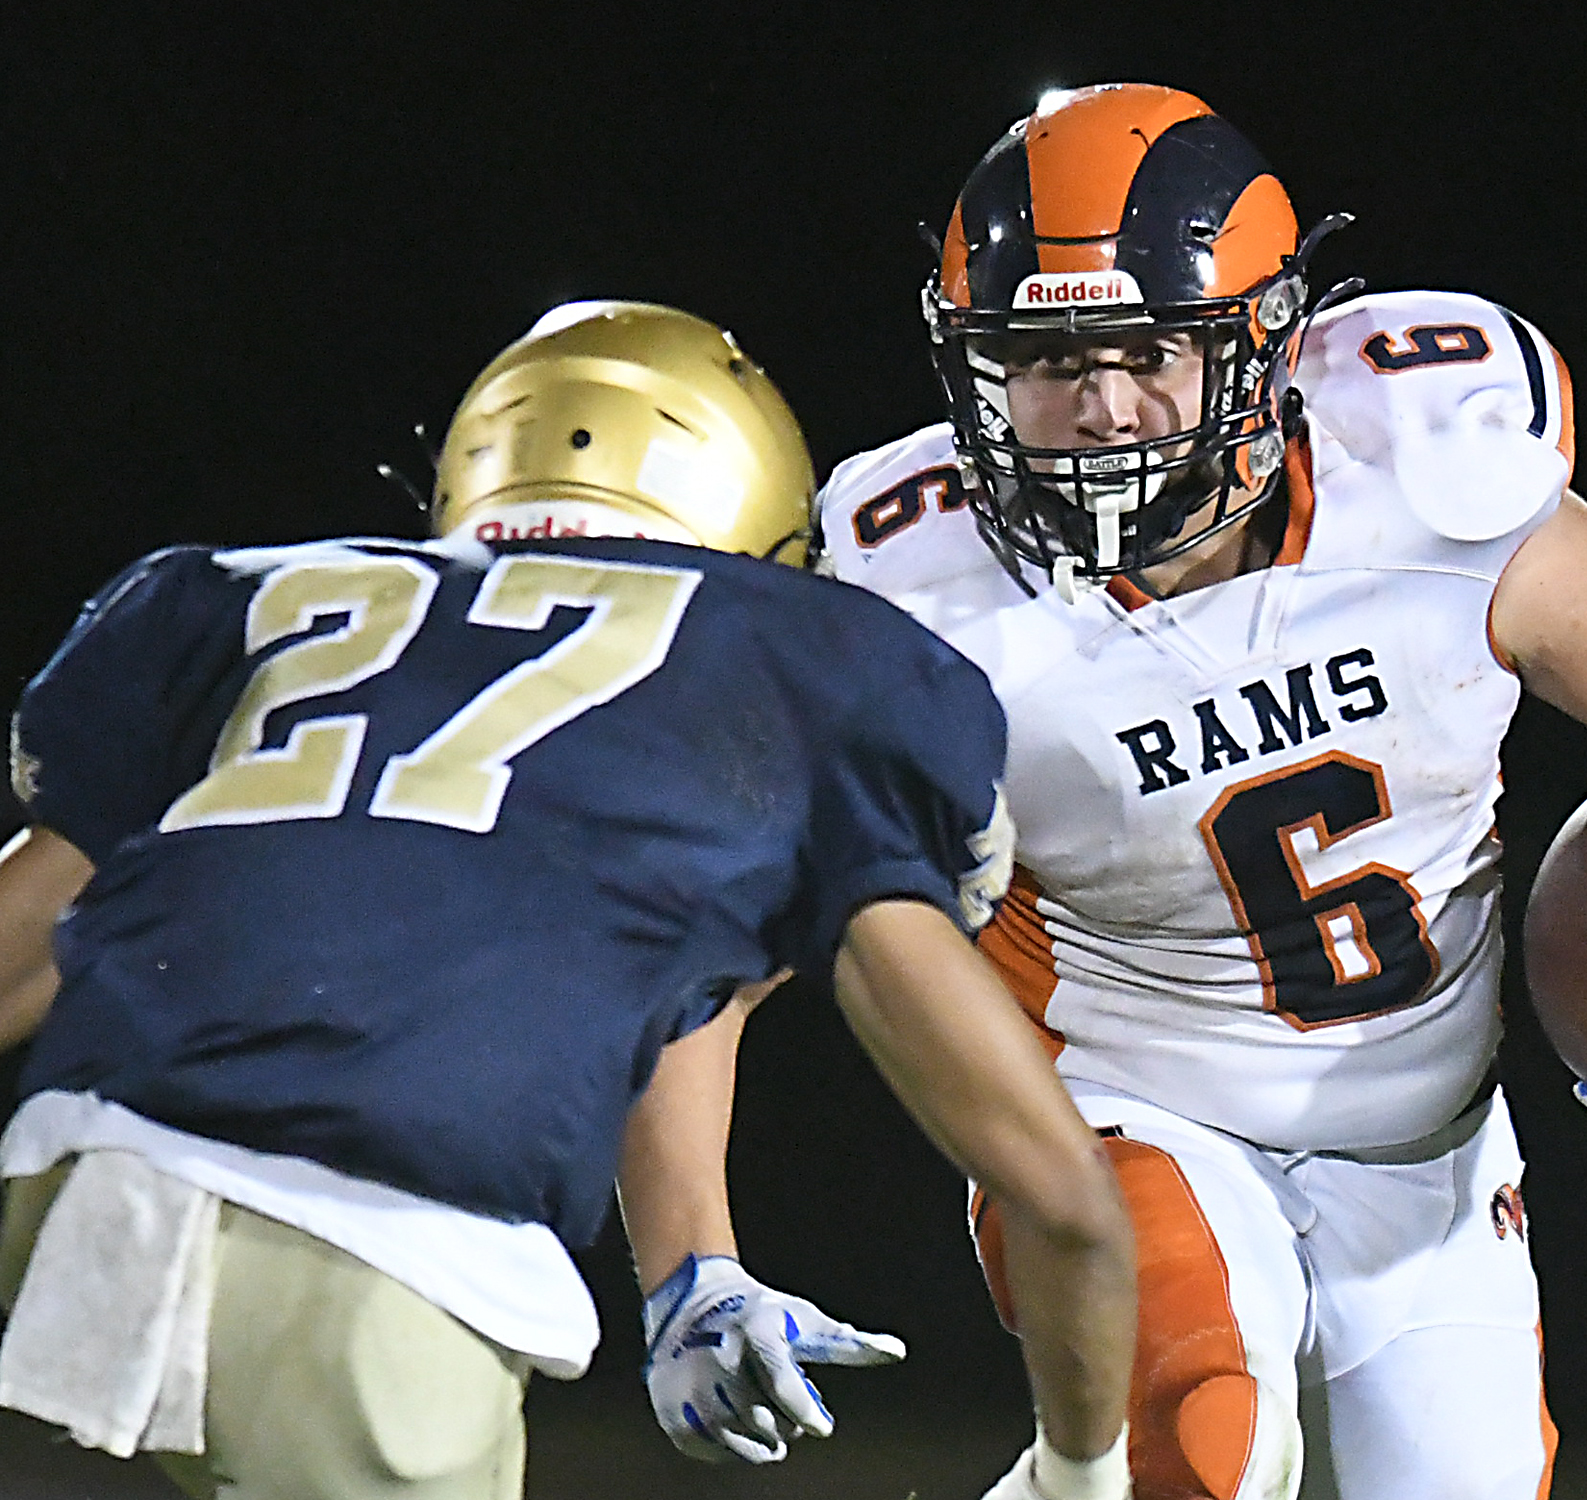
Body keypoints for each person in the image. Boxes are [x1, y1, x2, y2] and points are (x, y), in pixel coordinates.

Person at [812, 83, 1587, 1499]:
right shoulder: (922, 595)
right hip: (1122, 1103)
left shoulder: (1426, 483)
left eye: (1148, 351)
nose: (1103, 410)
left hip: (1426, 1145)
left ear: (1261, 344)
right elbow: (740, 909)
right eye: (1049, 360)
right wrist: (694, 1248)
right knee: (1208, 1442)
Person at [0, 300, 1137, 1500]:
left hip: (70, 1186)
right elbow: (1066, 1203)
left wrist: (694, 1271)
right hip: (369, 1242)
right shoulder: (801, 660)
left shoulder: (263, 598)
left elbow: (36, 930)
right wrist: (1082, 1474)